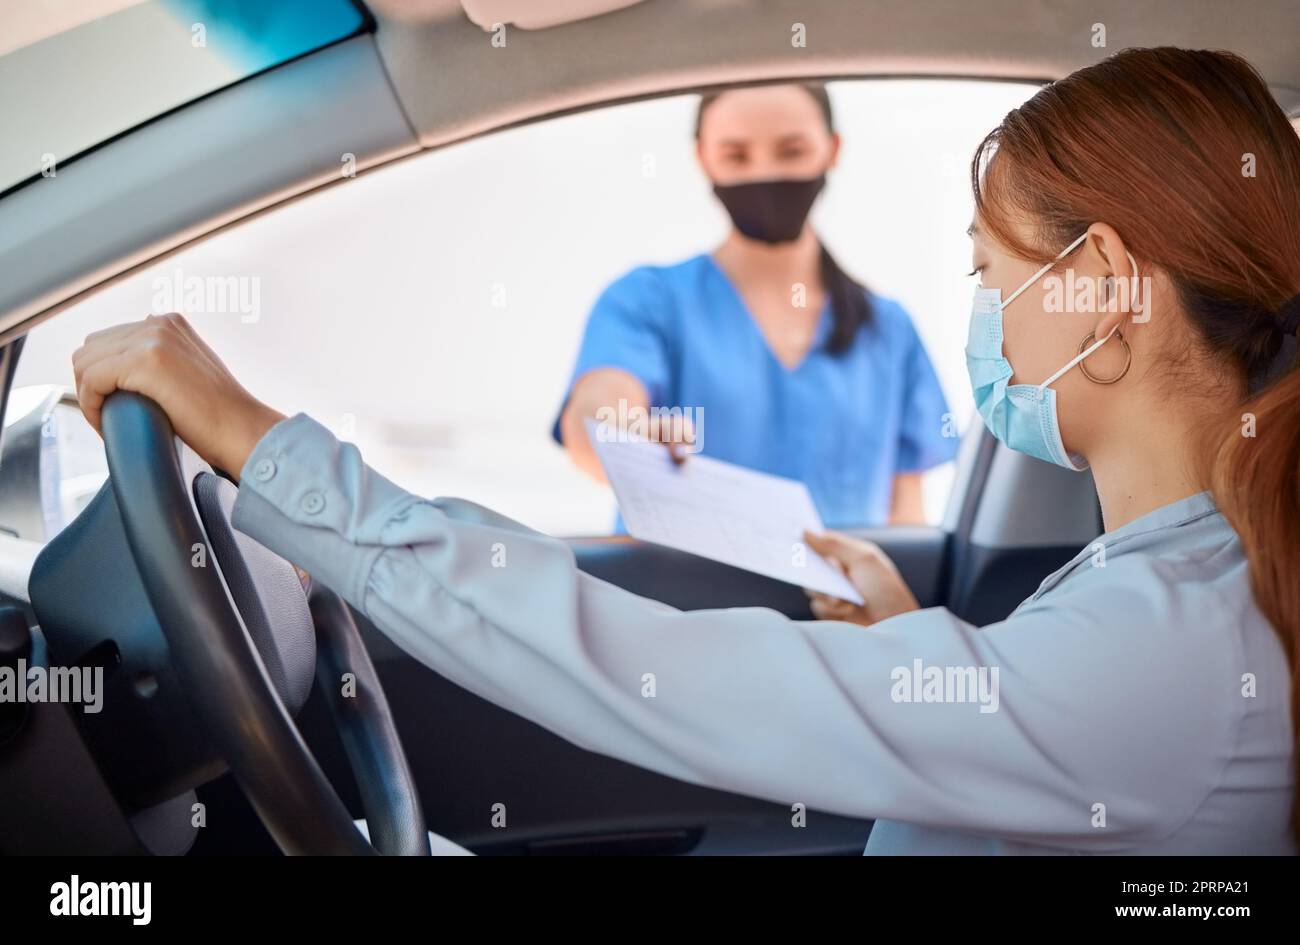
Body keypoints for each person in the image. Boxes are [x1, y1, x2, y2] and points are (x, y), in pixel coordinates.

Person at [73, 47, 1299, 854]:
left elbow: (636, 665)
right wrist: (906, 653)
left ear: (1096, 289)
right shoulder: (1169, 588)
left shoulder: (1169, 644)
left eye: (991, 274)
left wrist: (256, 442)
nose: (981, 315)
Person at [554, 83, 957, 527]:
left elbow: (908, 523)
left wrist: (893, 597)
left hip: (838, 597)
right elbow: (597, 411)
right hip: (672, 598)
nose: (764, 172)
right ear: (703, 158)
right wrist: (627, 438)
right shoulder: (647, 302)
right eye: (736, 156)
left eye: (791, 151)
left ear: (832, 149)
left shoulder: (888, 330)